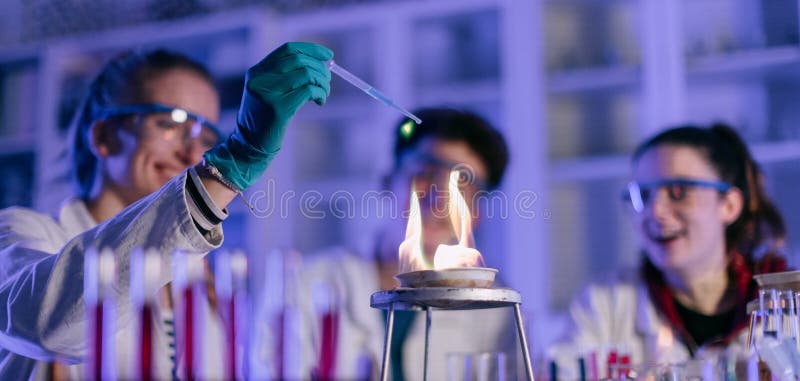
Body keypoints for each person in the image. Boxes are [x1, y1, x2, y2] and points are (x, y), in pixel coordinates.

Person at [0, 42, 333, 380]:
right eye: (170, 123)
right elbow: (49, 327)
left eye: (206, 137)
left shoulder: (203, 282)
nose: (192, 154)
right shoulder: (22, 233)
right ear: (103, 136)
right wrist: (233, 163)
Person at [287, 108, 518, 380]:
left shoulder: (493, 311)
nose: (440, 201)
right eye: (427, 174)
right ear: (387, 182)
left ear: (476, 213)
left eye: (462, 186)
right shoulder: (309, 284)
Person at [548, 123, 788, 379]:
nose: (655, 211)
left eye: (678, 192)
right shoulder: (603, 304)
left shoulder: (787, 305)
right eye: (643, 195)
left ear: (729, 205)